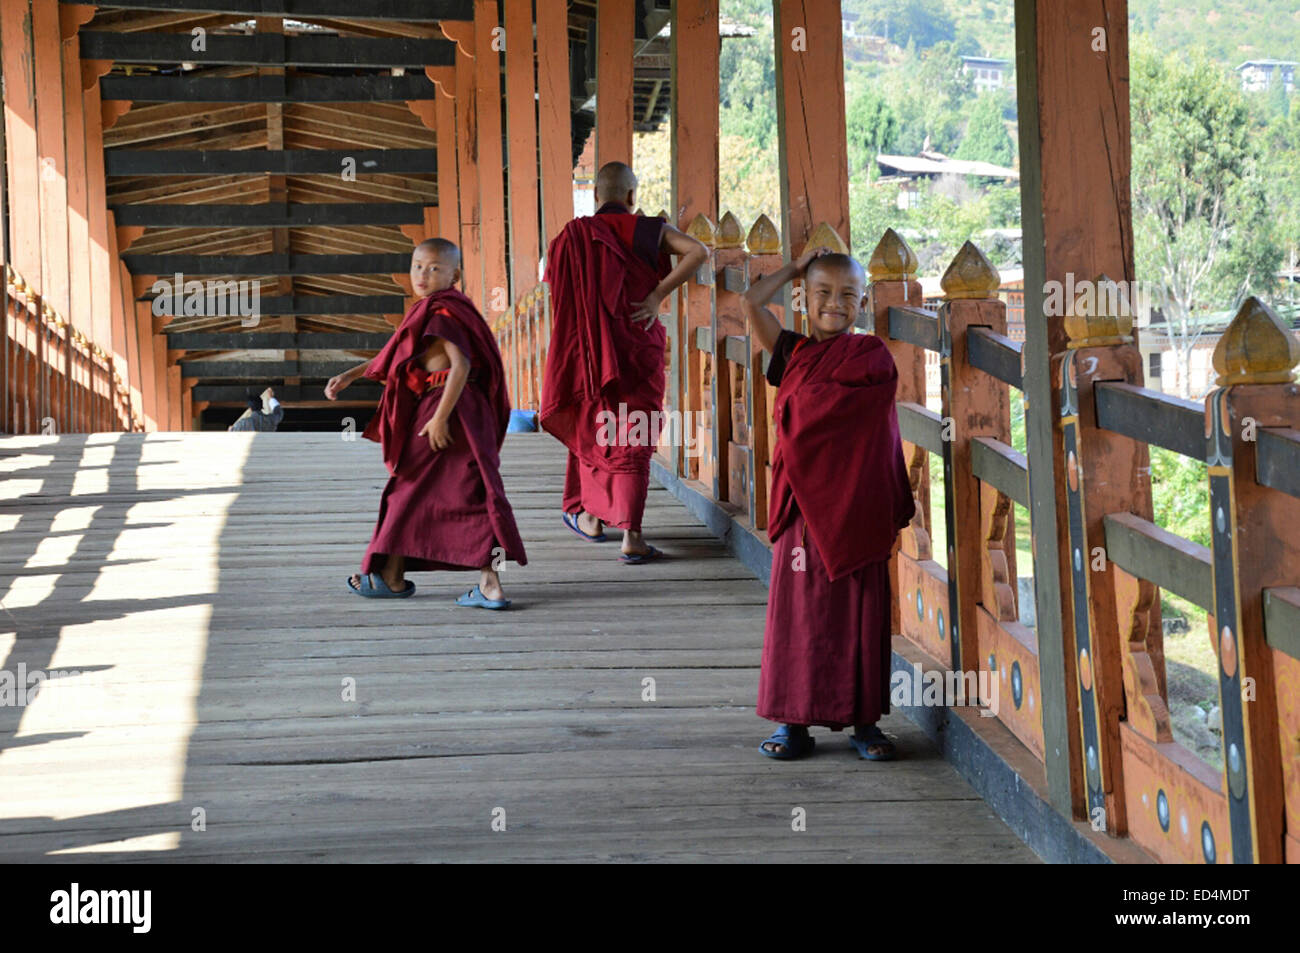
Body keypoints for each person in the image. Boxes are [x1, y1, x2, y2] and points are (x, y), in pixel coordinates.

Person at [739, 247, 916, 761]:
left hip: (854, 507)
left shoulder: (872, 357)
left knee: (858, 612)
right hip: (802, 510)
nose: (834, 304)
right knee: (799, 614)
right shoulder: (792, 353)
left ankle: (865, 724)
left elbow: (863, 427)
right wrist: (794, 267)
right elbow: (751, 301)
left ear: (862, 302)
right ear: (804, 298)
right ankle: (792, 724)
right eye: (822, 293)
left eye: (847, 295)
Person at [326, 238, 527, 608]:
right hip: (467, 409)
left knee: (407, 487)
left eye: (434, 268)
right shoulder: (438, 309)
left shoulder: (442, 312)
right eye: (417, 265)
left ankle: (392, 575)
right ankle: (481, 583)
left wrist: (439, 418)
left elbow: (461, 366)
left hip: (447, 406)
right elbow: (397, 356)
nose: (423, 274)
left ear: (456, 275)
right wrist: (352, 374)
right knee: (467, 491)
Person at [540, 161, 709, 562]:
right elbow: (698, 252)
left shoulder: (572, 236)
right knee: (634, 434)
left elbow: (559, 293)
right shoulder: (648, 230)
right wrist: (657, 295)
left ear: (596, 197)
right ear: (632, 197)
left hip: (590, 355)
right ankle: (631, 536)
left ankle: (592, 519)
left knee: (592, 422)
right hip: (637, 347)